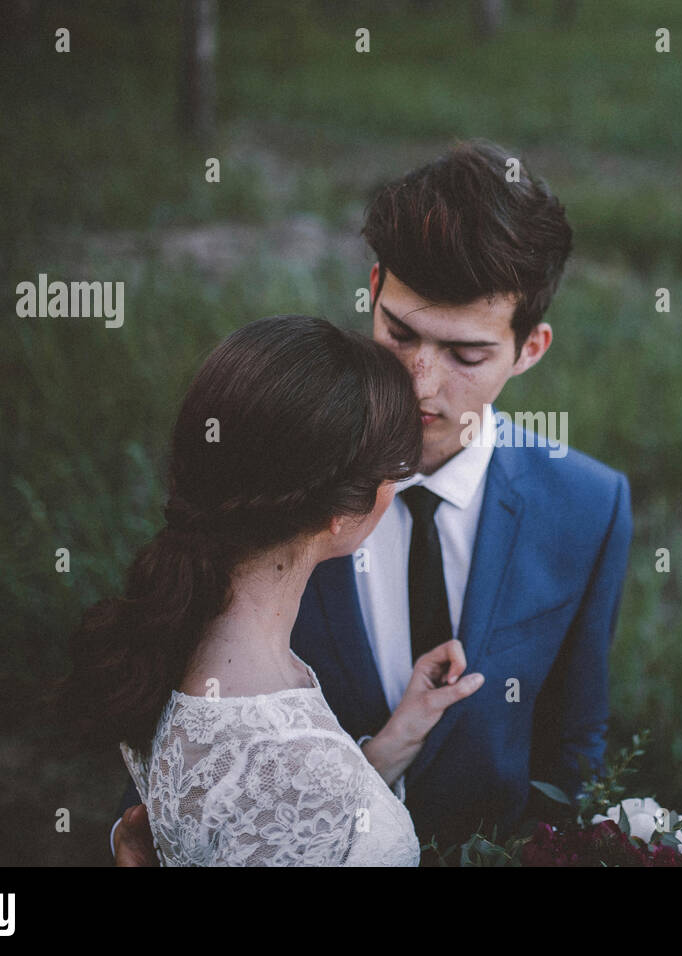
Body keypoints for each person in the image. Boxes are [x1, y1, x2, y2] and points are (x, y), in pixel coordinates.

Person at [112, 140, 633, 863]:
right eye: (400, 332)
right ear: (374, 286)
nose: (420, 384)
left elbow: (575, 740)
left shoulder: (590, 505)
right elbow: (183, 710)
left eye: (466, 355)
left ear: (531, 348)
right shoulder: (277, 458)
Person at [66, 315, 484, 865]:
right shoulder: (304, 766)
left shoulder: (174, 638)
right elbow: (293, 796)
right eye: (395, 470)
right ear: (340, 512)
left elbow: (264, 817)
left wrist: (384, 750)